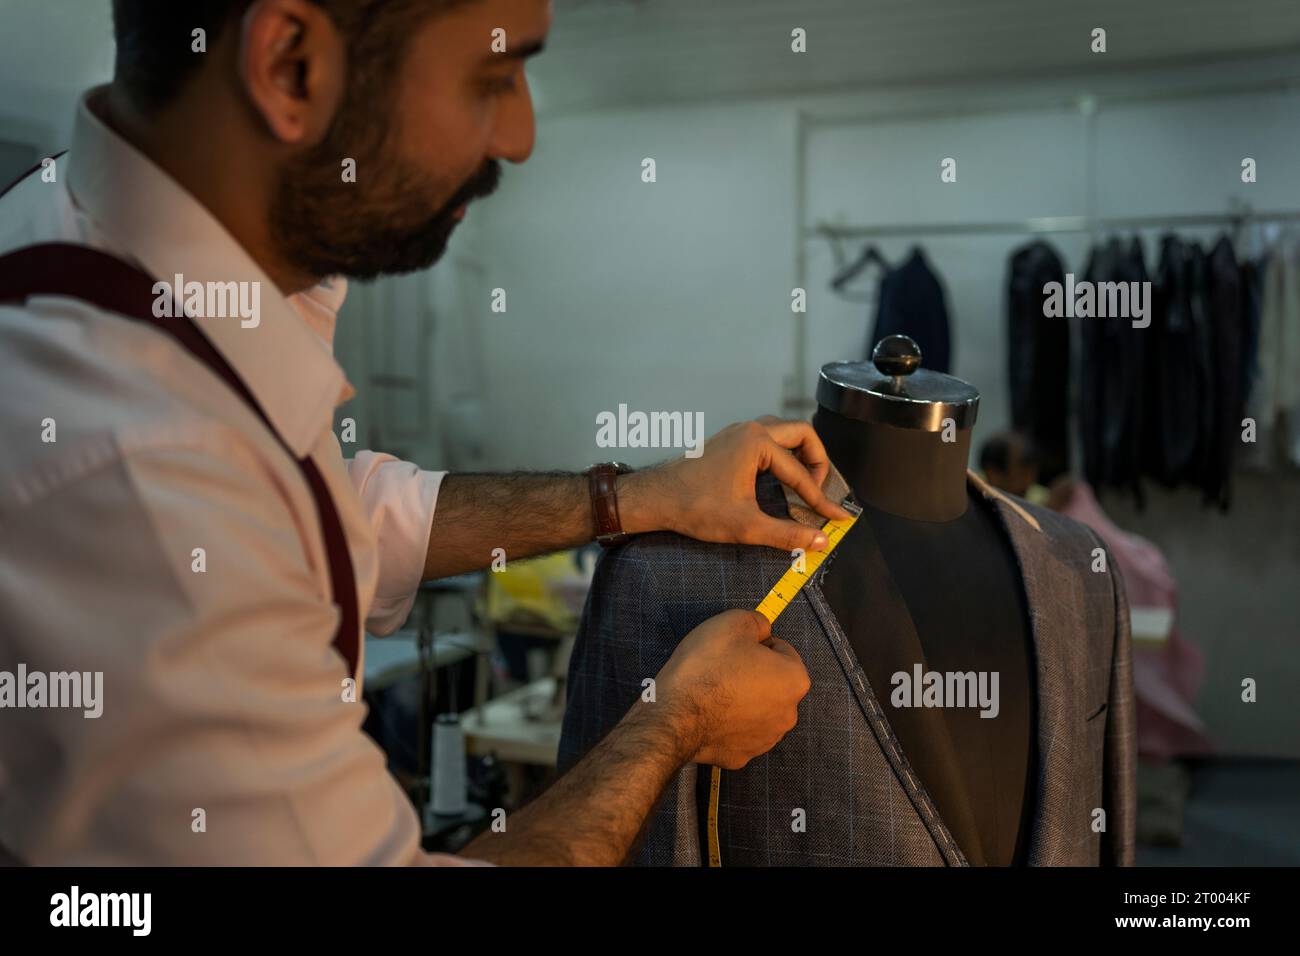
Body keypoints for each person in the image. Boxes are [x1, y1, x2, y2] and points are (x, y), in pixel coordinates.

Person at [0, 0, 850, 866]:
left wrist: (634, 497)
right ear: (292, 65)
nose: (519, 135)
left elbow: (336, 510)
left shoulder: (84, 223)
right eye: (493, 76)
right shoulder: (132, 472)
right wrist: (676, 721)